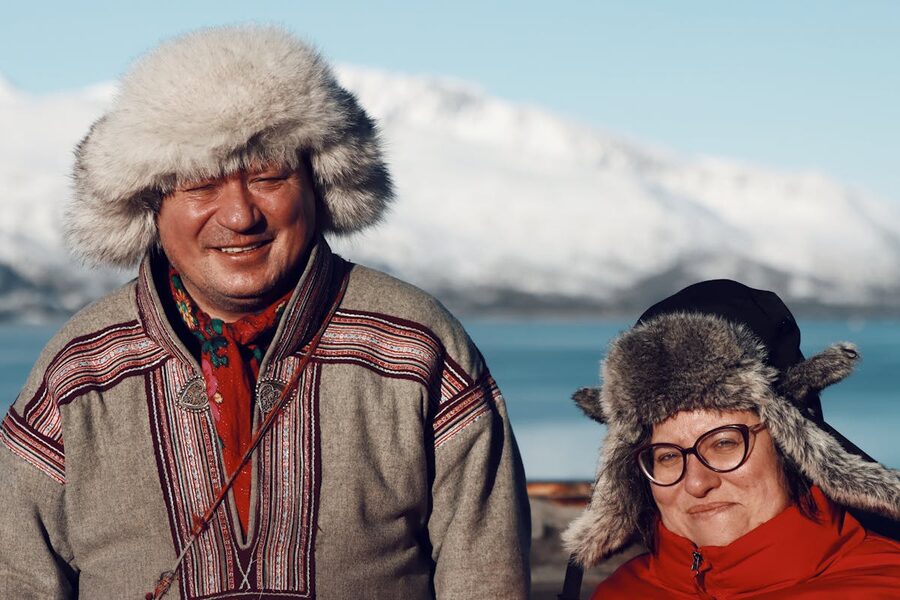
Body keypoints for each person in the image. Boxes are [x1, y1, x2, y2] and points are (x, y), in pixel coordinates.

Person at [0, 26, 530, 599]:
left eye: (269, 176)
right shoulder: (82, 365)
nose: (239, 215)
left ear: (318, 185)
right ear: (150, 202)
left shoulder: (416, 344)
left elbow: (487, 572)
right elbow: (17, 574)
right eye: (200, 183)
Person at [563, 280, 900, 598]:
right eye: (667, 456)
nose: (697, 483)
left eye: (724, 443)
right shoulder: (621, 593)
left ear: (794, 448)